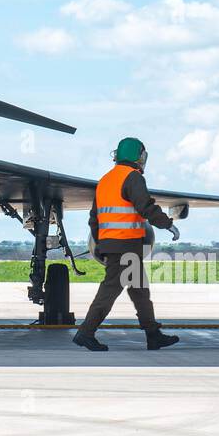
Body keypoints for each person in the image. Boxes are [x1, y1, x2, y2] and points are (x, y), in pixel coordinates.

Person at [73, 137, 180, 352]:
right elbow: (145, 206)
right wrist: (166, 224)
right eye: (142, 155)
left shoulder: (105, 180)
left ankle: (153, 335)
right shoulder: (132, 177)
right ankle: (85, 333)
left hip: (116, 245)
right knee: (110, 290)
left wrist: (102, 243)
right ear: (137, 156)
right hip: (126, 245)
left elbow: (94, 219)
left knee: (140, 291)